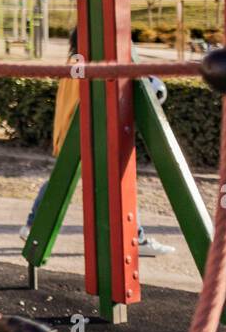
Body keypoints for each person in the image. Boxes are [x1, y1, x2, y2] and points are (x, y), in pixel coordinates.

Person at [20, 29, 174, 256]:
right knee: (116, 181)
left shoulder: (74, 61)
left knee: (61, 181)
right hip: (83, 132)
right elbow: (101, 90)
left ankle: (33, 225)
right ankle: (136, 237)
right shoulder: (84, 63)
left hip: (74, 131)